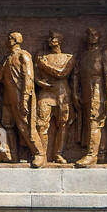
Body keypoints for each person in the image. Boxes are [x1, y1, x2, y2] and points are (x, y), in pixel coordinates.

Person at [0, 30, 43, 166]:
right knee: (7, 126)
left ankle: (39, 153)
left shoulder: (23, 56)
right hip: (8, 98)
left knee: (26, 127)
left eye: (9, 38)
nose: (7, 41)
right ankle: (12, 154)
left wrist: (25, 99)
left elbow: (29, 78)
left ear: (15, 41)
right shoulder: (7, 59)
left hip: (20, 97)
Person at [73, 26, 107, 167]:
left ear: (99, 37)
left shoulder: (104, 53)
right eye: (89, 35)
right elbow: (76, 75)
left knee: (95, 122)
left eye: (95, 34)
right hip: (85, 92)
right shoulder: (83, 55)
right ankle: (101, 153)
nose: (92, 37)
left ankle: (92, 155)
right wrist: (75, 92)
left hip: (98, 90)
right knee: (89, 123)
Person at [35, 31, 75, 165]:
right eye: (49, 37)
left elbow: (62, 73)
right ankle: (42, 155)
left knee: (63, 125)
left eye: (54, 38)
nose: (50, 40)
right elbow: (34, 75)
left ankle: (58, 154)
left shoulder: (69, 57)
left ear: (60, 40)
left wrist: (44, 66)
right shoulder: (41, 56)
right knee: (41, 124)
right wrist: (40, 82)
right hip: (46, 93)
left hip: (62, 93)